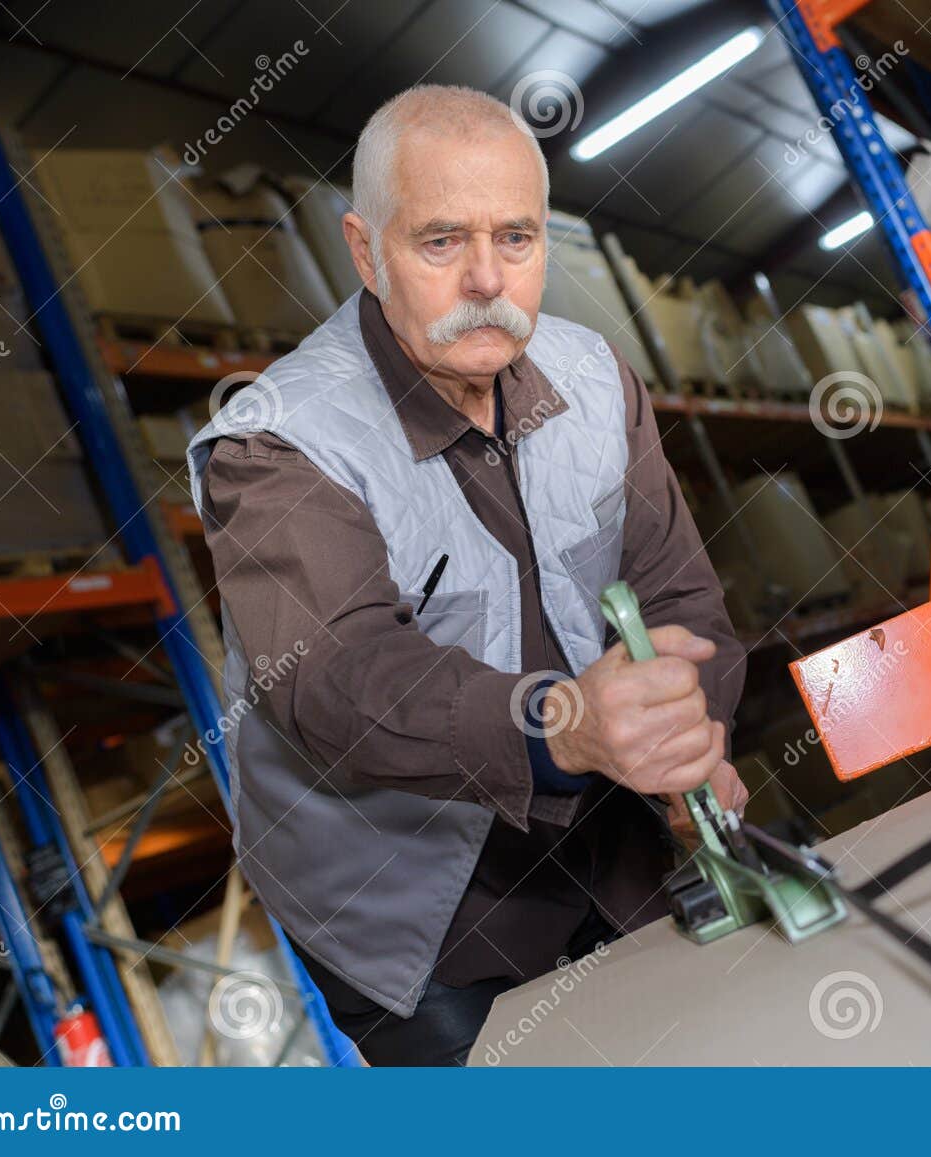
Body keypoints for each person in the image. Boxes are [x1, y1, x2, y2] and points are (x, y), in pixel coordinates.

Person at [185, 84, 747, 1066]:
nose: (488, 279)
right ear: (365, 252)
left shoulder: (594, 375)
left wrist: (684, 728)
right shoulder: (279, 441)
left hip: (614, 849)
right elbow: (336, 680)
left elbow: (679, 595)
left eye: (517, 239)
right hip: (420, 916)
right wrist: (564, 722)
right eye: (440, 242)